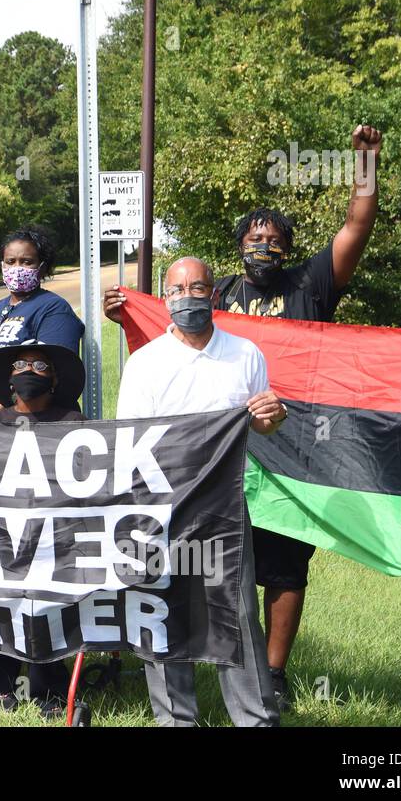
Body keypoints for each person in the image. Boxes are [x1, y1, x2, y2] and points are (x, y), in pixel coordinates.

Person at [104, 124, 383, 709]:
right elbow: (168, 328)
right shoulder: (220, 293)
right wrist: (129, 315)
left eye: (275, 237)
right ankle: (188, 691)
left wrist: (366, 163)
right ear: (237, 248)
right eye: (254, 236)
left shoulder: (310, 284)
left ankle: (271, 678)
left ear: (288, 247)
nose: (264, 244)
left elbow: (357, 225)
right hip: (215, 471)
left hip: (291, 448)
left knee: (282, 568)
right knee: (203, 582)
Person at [115, 256, 287, 727]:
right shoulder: (146, 363)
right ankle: (176, 719)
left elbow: (263, 427)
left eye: (198, 288)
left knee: (236, 618)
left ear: (214, 295)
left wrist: (273, 418)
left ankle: (256, 718)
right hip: (160, 512)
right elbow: (129, 442)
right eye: (177, 289)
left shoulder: (245, 354)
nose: (187, 297)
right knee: (164, 613)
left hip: (225, 511)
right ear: (165, 298)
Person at [0, 340, 84, 716]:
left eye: (40, 366)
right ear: (9, 379)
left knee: (46, 604)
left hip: (54, 541)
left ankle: (47, 687)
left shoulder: (73, 422)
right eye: (21, 364)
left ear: (54, 380)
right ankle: (2, 685)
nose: (29, 371)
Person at [0, 227, 83, 417]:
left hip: (33, 422)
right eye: (11, 261)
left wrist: (10, 406)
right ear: (2, 266)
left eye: (26, 262)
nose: (17, 268)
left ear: (43, 267)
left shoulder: (53, 309)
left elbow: (53, 369)